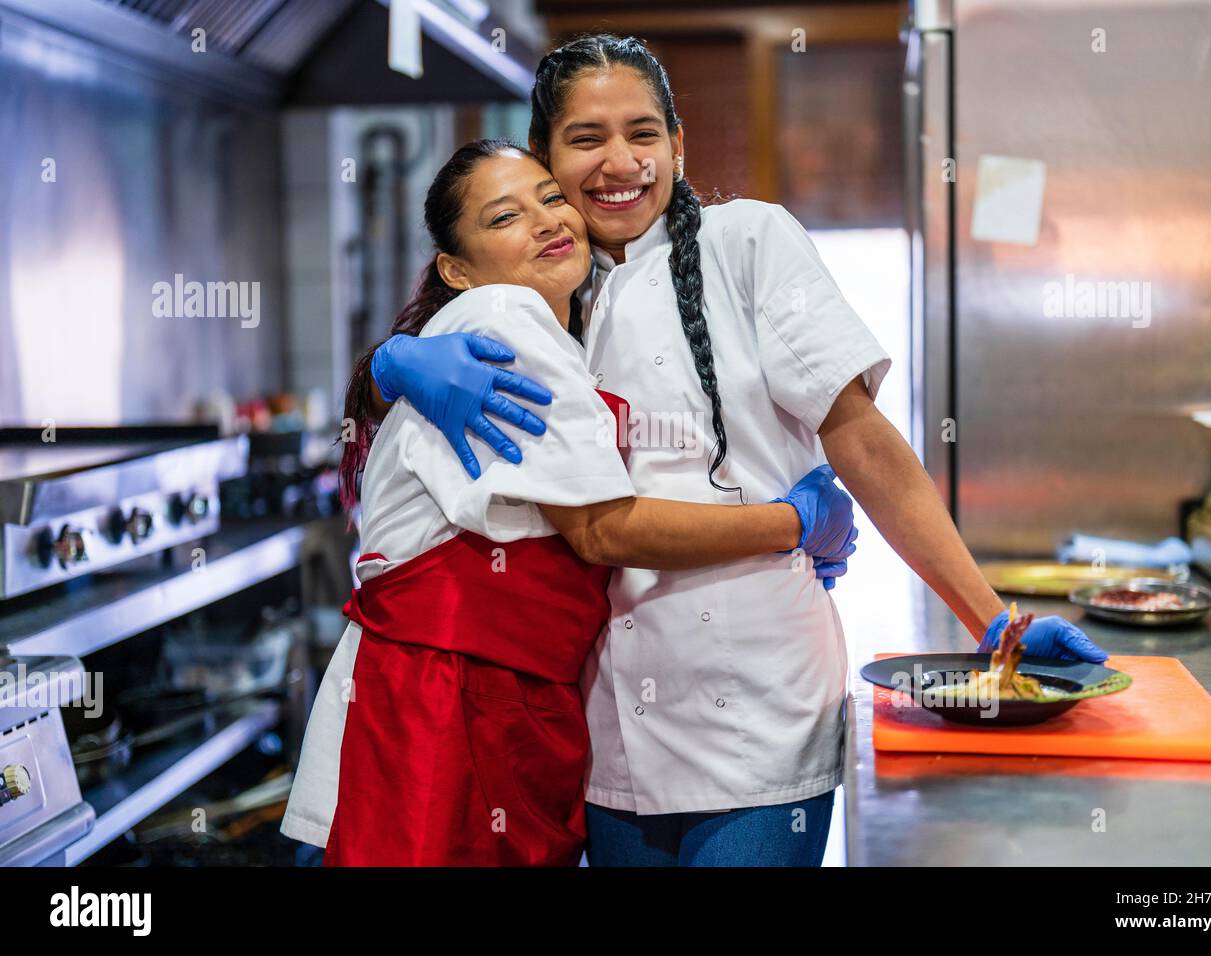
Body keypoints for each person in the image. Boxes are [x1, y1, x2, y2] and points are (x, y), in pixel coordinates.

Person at [363, 35, 1109, 867]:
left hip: (759, 714)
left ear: (679, 145)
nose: (620, 163)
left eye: (643, 135)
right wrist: (393, 363)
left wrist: (992, 620)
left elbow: (859, 436)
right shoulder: (547, 288)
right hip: (607, 722)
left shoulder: (748, 241)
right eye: (586, 139)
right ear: (547, 160)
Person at [280, 139, 859, 866]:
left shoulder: (566, 328)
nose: (547, 221)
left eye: (550, 199)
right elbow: (603, 529)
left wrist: (386, 363)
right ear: (457, 271)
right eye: (505, 218)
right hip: (437, 701)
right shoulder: (503, 315)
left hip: (501, 702)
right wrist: (796, 523)